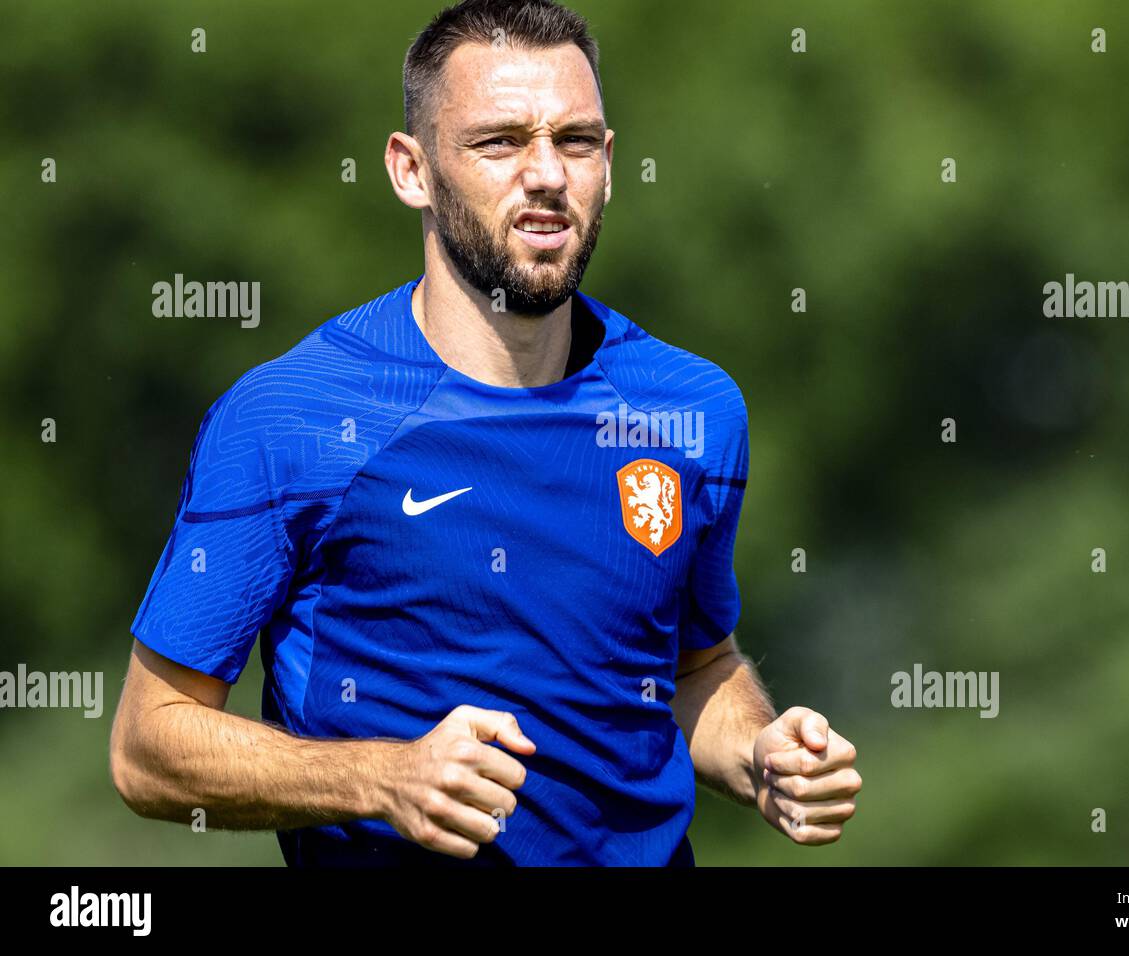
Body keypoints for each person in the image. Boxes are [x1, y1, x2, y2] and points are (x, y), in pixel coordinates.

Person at [110, 0, 860, 866]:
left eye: (575, 141)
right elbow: (148, 746)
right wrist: (383, 779)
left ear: (609, 164)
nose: (546, 174)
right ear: (412, 170)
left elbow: (693, 668)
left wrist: (762, 752)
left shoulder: (691, 409)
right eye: (499, 142)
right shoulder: (289, 418)